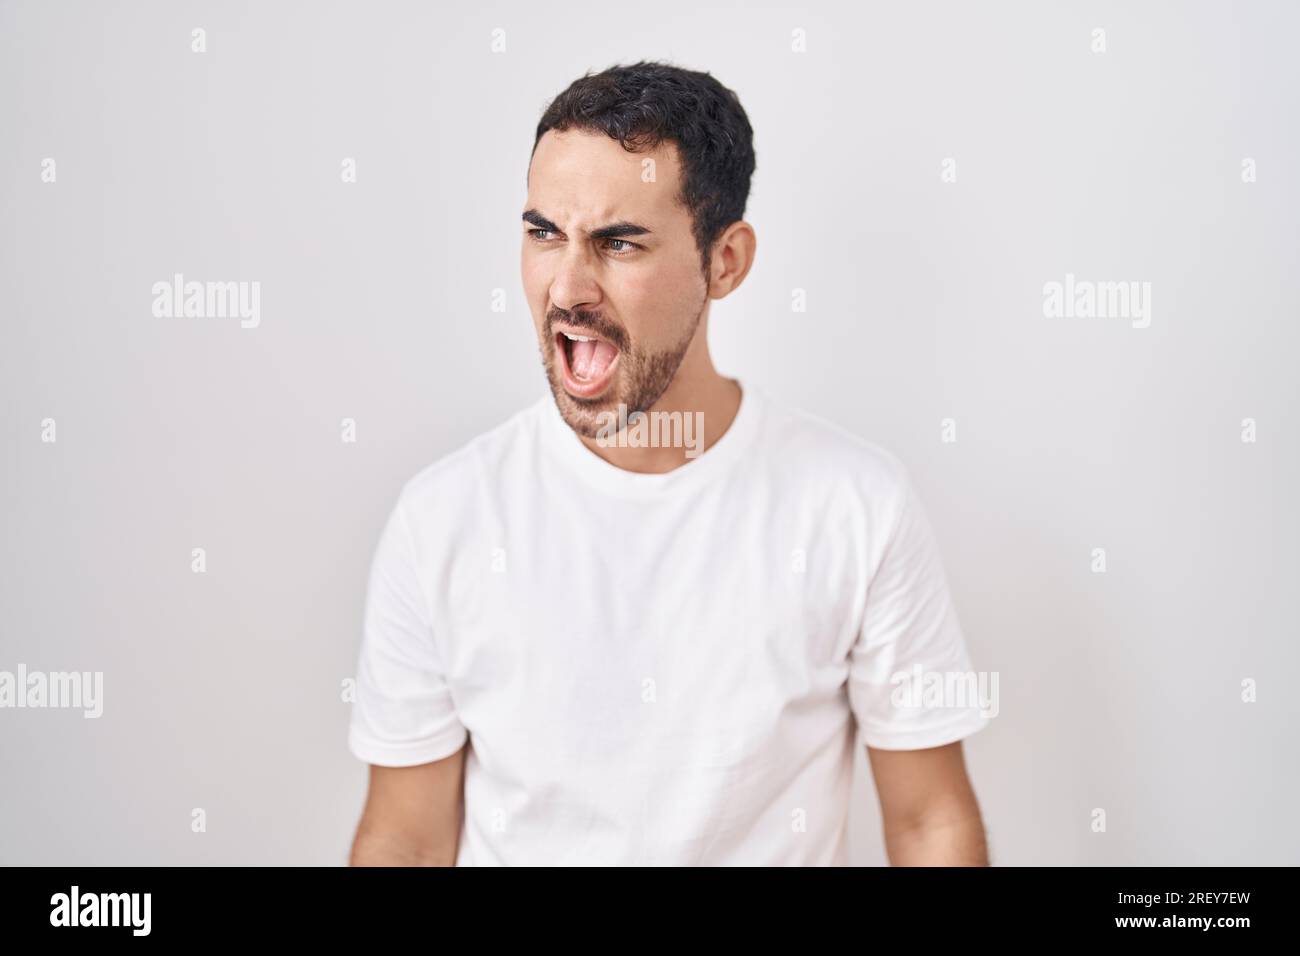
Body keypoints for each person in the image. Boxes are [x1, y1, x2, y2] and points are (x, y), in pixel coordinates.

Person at [347, 60, 990, 866]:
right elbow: (404, 838)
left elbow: (932, 822)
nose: (567, 287)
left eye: (619, 242)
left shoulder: (855, 507)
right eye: (544, 232)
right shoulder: (442, 518)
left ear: (726, 262)